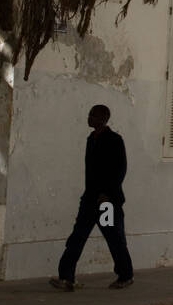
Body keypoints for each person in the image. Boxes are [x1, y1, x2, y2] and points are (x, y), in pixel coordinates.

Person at [50, 104, 134, 291]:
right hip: (89, 200)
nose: (89, 117)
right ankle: (66, 277)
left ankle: (126, 275)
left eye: (92, 115)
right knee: (77, 237)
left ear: (102, 118)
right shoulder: (91, 140)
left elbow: (120, 170)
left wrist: (107, 195)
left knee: (114, 238)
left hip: (106, 202)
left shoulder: (114, 140)